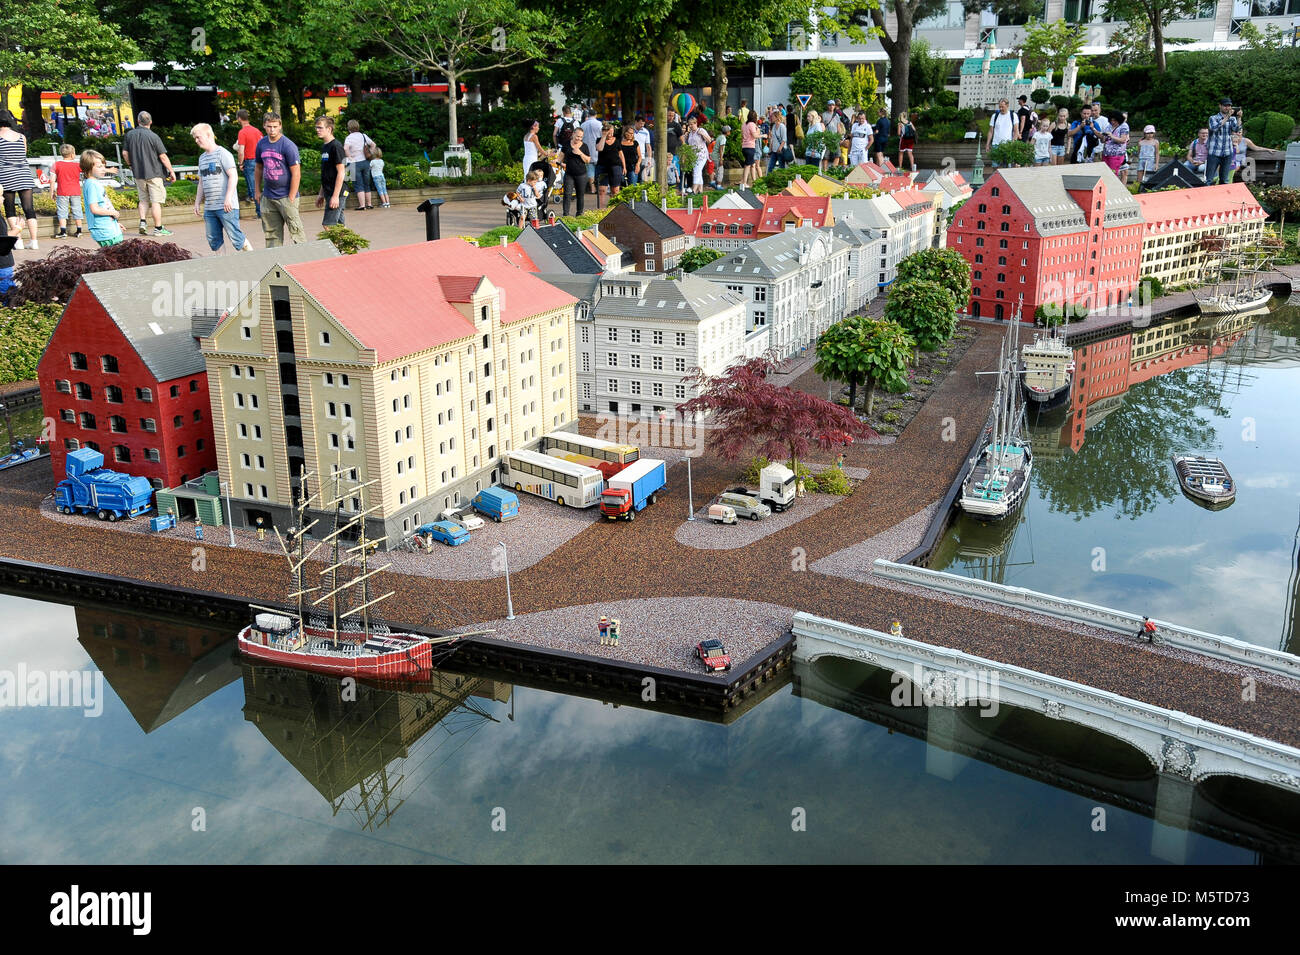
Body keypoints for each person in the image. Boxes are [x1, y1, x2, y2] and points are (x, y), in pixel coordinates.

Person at [193, 122, 252, 253]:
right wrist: (197, 202)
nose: (196, 141)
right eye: (195, 138)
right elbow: (201, 183)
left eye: (198, 137)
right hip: (210, 208)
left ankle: (252, 255)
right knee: (213, 239)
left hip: (226, 206)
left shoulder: (223, 154)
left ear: (208, 135)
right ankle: (222, 264)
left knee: (236, 237)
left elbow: (233, 176)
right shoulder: (202, 158)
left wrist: (228, 198)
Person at [254, 111, 306, 247]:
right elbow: (258, 168)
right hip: (268, 196)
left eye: (275, 126)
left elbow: (296, 173)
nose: (272, 130)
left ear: (280, 126)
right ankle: (275, 262)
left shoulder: (288, 145)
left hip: (286, 196)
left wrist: (291, 197)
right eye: (269, 126)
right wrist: (257, 191)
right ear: (264, 126)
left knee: (296, 232)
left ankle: (304, 260)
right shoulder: (261, 144)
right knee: (271, 234)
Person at [121, 111, 176, 236]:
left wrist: (130, 164)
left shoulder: (129, 135)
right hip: (154, 173)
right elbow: (162, 156)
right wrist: (171, 171)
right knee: (155, 201)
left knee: (143, 199)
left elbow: (125, 153)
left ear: (138, 121)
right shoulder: (153, 136)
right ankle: (158, 228)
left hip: (138, 173)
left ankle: (142, 222)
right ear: (150, 122)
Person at [80, 149, 123, 248]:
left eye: (104, 166)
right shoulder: (91, 184)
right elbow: (95, 209)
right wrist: (113, 213)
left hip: (109, 227)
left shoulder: (93, 182)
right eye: (99, 166)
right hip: (104, 230)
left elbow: (104, 205)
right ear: (88, 167)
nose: (103, 169)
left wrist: (115, 224)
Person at [314, 116, 347, 227]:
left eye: (320, 128)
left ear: (329, 129)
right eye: (316, 127)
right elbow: (326, 173)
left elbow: (341, 172)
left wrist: (335, 196)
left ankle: (338, 245)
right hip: (329, 191)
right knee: (339, 226)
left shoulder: (336, 147)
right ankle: (349, 245)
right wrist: (321, 194)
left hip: (338, 192)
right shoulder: (325, 147)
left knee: (328, 225)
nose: (317, 130)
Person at [1206, 97, 1242, 186]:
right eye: (1225, 106)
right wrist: (1227, 117)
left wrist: (1239, 118)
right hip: (1214, 152)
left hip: (1227, 152)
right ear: (1220, 106)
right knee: (1209, 180)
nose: (1227, 108)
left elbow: (1237, 129)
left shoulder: (1232, 119)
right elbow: (1214, 128)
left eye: (1229, 106)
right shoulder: (1213, 118)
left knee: (1225, 180)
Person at [51, 144, 85, 239]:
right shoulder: (78, 165)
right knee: (77, 209)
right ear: (72, 154)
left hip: (62, 191)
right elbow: (86, 173)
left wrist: (52, 192)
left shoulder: (56, 164)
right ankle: (79, 230)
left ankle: (63, 232)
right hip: (75, 191)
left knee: (62, 211)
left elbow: (52, 180)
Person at [234, 109, 263, 217]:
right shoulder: (257, 131)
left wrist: (240, 163)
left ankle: (260, 213)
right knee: (259, 186)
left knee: (253, 188)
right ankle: (252, 199)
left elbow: (241, 150)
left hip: (250, 161)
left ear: (239, 118)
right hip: (260, 161)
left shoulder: (242, 132)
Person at [342, 120, 376, 210]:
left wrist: (349, 156)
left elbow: (345, 148)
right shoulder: (363, 135)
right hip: (365, 162)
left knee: (358, 184)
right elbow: (373, 144)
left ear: (349, 128)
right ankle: (369, 204)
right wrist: (370, 153)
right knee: (366, 184)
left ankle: (362, 205)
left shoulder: (349, 138)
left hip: (353, 163)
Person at [561, 126, 591, 217]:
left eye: (581, 137)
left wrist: (580, 153)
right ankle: (566, 215)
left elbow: (588, 160)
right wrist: (558, 162)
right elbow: (561, 156)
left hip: (581, 174)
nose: (579, 138)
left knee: (580, 195)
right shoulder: (566, 144)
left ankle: (579, 214)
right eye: (577, 136)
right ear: (573, 134)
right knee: (567, 194)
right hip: (569, 173)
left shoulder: (584, 146)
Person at [594, 123, 622, 207]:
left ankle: (614, 208)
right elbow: (599, 148)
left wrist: (623, 166)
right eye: (609, 132)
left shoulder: (617, 140)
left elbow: (621, 154)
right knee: (602, 190)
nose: (611, 134)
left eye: (612, 132)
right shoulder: (599, 139)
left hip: (615, 166)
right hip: (602, 167)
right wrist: (603, 136)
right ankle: (601, 210)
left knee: (615, 190)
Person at [1102, 111, 1130, 182]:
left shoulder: (1124, 126)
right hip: (1106, 153)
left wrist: (1111, 136)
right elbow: (1103, 139)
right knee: (1105, 174)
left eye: (1114, 120)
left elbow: (1123, 140)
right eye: (1111, 120)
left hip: (1116, 155)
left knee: (1113, 174)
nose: (1112, 122)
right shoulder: (1109, 126)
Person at [687, 118, 712, 194]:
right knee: (698, 171)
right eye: (689, 124)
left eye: (692, 124)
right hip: (693, 155)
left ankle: (694, 189)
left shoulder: (701, 130)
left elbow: (709, 140)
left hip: (702, 155)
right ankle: (700, 190)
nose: (690, 126)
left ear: (696, 123)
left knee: (696, 171)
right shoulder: (690, 133)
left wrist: (703, 134)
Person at [581, 109, 603, 191]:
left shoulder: (583, 125)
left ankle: (592, 188)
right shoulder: (599, 124)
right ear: (596, 115)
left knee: (590, 170)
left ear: (588, 115)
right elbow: (602, 136)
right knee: (599, 169)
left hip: (586, 149)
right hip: (598, 149)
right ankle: (600, 187)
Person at [620, 126, 643, 192]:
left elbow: (640, 156)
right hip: (622, 167)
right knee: (622, 187)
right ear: (625, 133)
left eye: (632, 133)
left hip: (633, 167)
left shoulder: (635, 143)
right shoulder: (619, 143)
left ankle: (632, 201)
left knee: (633, 187)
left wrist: (638, 165)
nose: (630, 135)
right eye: (629, 133)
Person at [767, 110, 789, 174]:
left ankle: (782, 180)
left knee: (781, 168)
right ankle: (768, 180)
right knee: (770, 167)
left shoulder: (782, 126)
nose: (771, 118)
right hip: (774, 151)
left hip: (780, 151)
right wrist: (770, 149)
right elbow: (772, 138)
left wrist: (780, 148)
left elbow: (784, 139)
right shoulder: (774, 126)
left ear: (777, 117)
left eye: (773, 116)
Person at [741, 113, 760, 187]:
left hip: (744, 146)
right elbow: (755, 136)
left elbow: (742, 136)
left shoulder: (744, 124)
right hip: (750, 147)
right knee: (747, 165)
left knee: (752, 164)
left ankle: (754, 182)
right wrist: (762, 134)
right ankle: (744, 182)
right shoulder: (752, 124)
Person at [633, 115, 653, 184]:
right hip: (632, 157)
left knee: (642, 179)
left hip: (642, 157)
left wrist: (649, 159)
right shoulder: (630, 131)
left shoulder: (646, 132)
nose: (642, 125)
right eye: (641, 123)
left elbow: (648, 146)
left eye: (643, 124)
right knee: (633, 178)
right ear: (636, 122)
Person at [712, 124, 729, 189]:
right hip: (717, 156)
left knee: (717, 170)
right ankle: (718, 185)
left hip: (714, 155)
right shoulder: (723, 138)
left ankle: (715, 183)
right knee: (720, 170)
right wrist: (721, 159)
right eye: (729, 131)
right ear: (727, 132)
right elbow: (721, 148)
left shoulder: (719, 136)